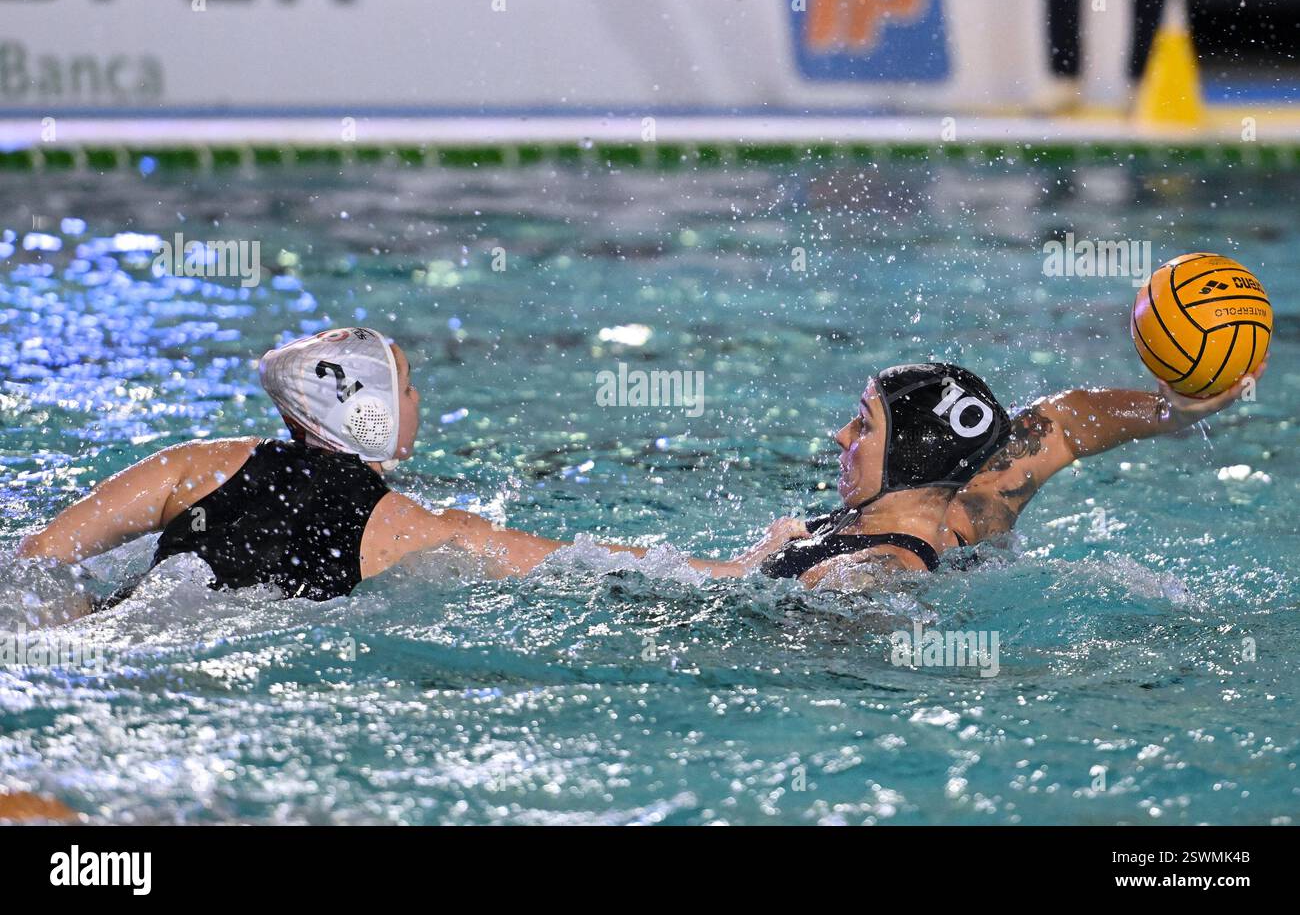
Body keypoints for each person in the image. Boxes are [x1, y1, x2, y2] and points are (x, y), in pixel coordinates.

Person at [17, 327, 775, 614]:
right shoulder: (405, 529)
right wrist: (744, 566)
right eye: (405, 383)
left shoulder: (193, 468)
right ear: (368, 412)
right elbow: (581, 566)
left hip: (118, 626)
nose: (418, 398)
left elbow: (39, 558)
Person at [727, 359, 1261, 588]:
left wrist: (765, 569)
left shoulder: (881, 566)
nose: (842, 437)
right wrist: (1171, 414)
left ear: (907, 458)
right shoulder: (975, 505)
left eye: (864, 426)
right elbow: (1064, 421)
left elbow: (858, 626)